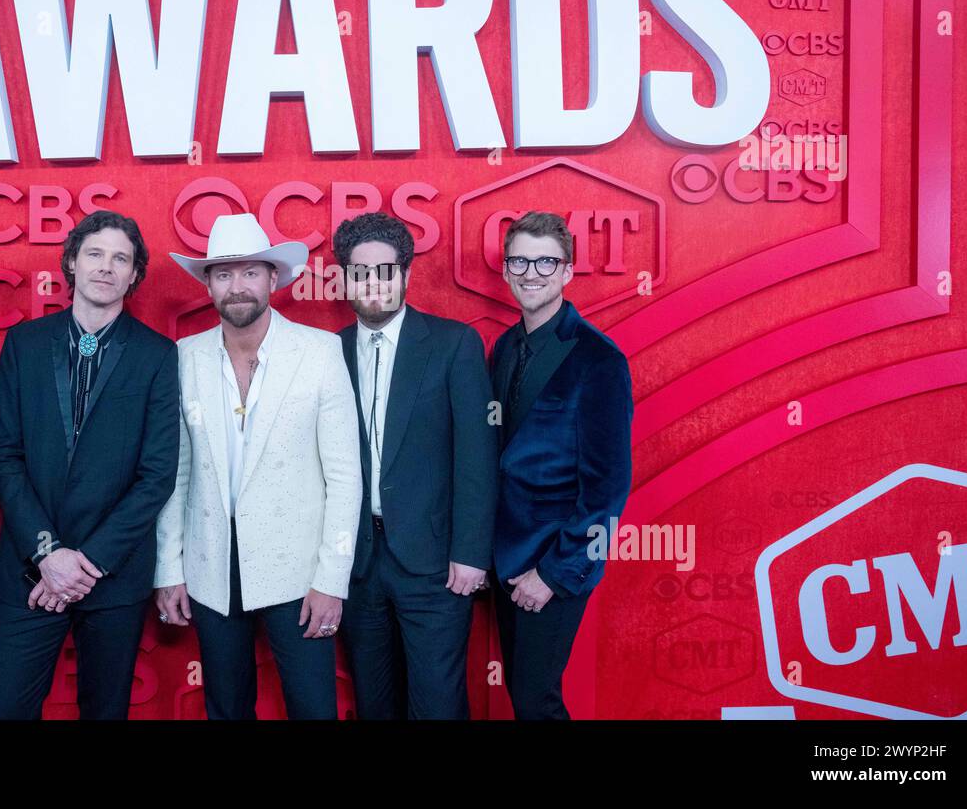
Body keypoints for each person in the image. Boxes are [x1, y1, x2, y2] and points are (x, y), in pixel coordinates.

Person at [154, 213, 362, 719]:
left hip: (299, 571)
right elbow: (175, 474)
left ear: (274, 278)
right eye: (223, 274)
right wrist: (169, 567)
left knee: (314, 708)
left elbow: (344, 476)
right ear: (208, 284)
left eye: (250, 272)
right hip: (210, 567)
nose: (237, 286)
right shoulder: (183, 357)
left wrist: (332, 580)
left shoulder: (320, 351)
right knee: (226, 708)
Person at [0, 210, 179, 719]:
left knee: (105, 712)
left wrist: (84, 564)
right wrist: (48, 554)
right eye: (95, 254)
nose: (106, 267)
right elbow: (4, 454)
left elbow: (156, 475)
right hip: (31, 571)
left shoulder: (159, 356)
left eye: (121, 258)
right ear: (71, 262)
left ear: (135, 275)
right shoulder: (24, 344)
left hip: (112, 577)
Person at [331, 212, 498, 719]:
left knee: (438, 707)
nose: (373, 282)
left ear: (405, 274)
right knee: (374, 704)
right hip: (357, 564)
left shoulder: (453, 344)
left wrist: (471, 553)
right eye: (360, 272)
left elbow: (477, 455)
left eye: (385, 270)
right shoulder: (326, 352)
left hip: (435, 565)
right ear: (343, 279)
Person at [490, 211, 633, 720]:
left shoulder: (599, 359)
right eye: (520, 261)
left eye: (546, 261)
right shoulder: (504, 349)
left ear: (568, 271)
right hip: (503, 562)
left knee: (536, 702)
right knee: (525, 698)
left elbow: (608, 488)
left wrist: (552, 574)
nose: (532, 272)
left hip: (554, 562)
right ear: (506, 271)